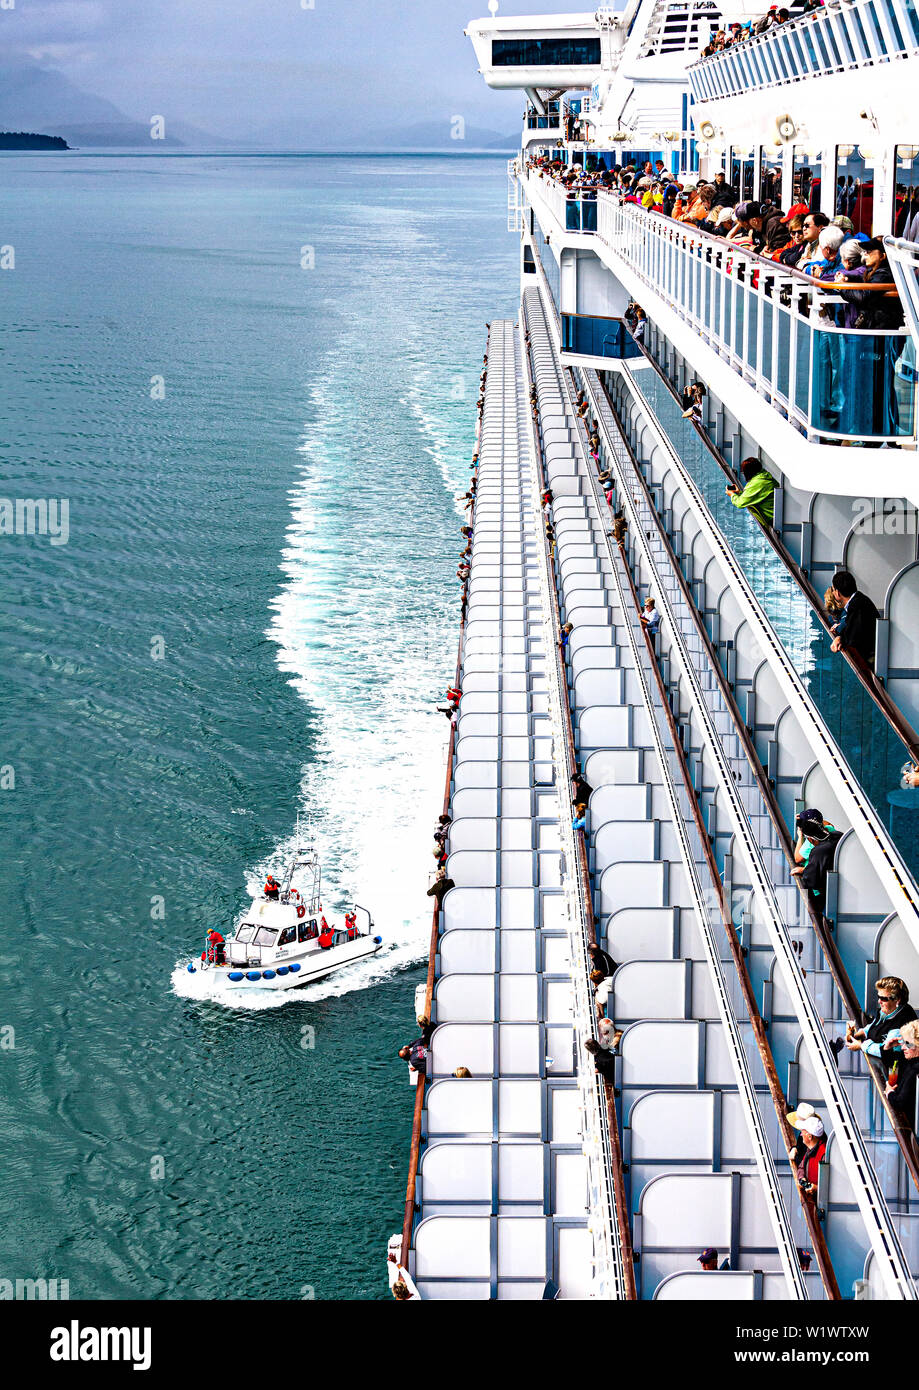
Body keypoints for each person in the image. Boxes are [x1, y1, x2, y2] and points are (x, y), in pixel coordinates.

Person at [846, 976, 916, 1075]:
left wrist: (862, 1045)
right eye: (879, 997)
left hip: (898, 1075)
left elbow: (886, 1051)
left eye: (883, 998)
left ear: (897, 1000)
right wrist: (863, 1032)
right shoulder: (886, 1010)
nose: (879, 1001)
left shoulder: (902, 1023)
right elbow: (875, 1024)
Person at [791, 818, 843, 918]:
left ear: (810, 839)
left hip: (825, 897)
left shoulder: (818, 851)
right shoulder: (838, 835)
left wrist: (804, 870)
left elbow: (812, 880)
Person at [828, 569, 879, 666]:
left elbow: (853, 637)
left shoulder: (857, 605)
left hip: (870, 659)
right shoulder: (859, 600)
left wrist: (840, 638)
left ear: (837, 593)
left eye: (833, 590)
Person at [786, 1107, 827, 1196]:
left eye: (803, 1132)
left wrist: (817, 1188)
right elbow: (801, 1167)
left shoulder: (824, 1156)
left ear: (809, 1137)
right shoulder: (810, 1149)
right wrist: (802, 1179)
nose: (801, 1134)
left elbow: (830, 1185)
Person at [726, 457, 778, 525]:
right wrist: (739, 492)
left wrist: (731, 494)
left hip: (771, 521)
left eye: (743, 472)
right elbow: (756, 496)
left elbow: (740, 503)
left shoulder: (759, 483)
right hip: (773, 516)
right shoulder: (763, 476)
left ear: (748, 472)